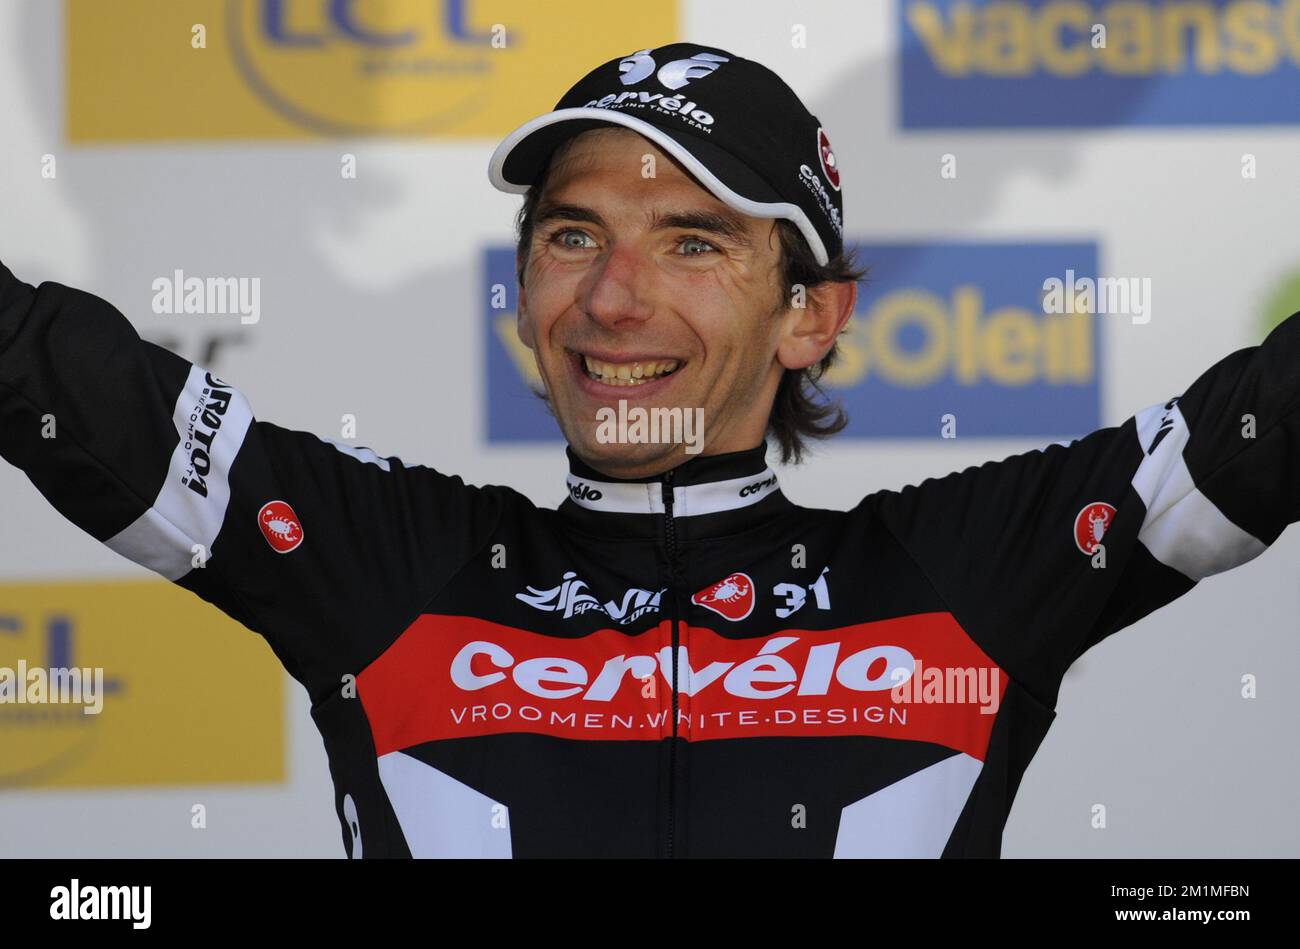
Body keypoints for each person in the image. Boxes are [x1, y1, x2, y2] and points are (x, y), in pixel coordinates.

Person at [1, 42, 1297, 858]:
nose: (615, 299)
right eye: (573, 237)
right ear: (519, 288)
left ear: (812, 315)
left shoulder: (959, 572)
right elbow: (42, 371)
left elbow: (1269, 425)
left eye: (692, 242)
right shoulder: (390, 563)